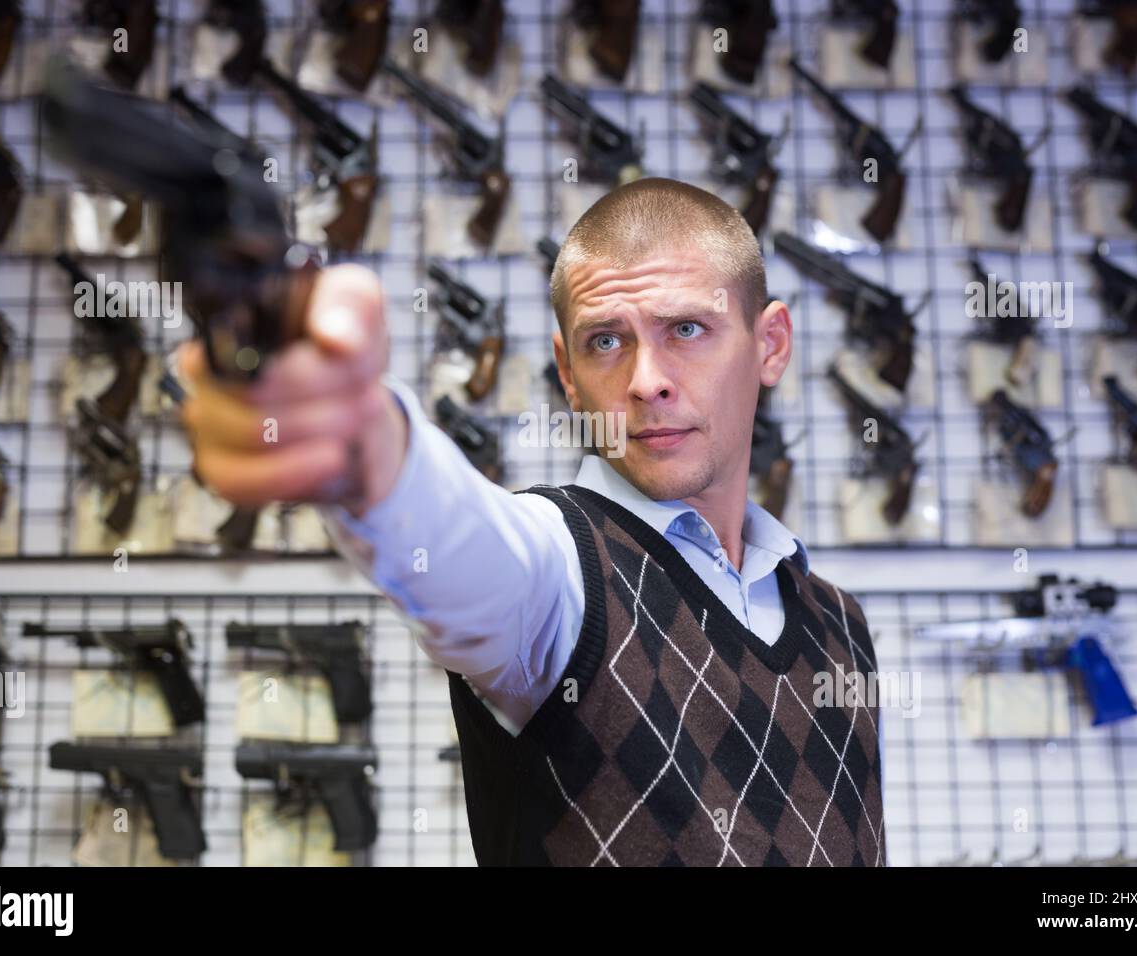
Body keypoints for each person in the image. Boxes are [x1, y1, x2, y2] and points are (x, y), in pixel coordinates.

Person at [179, 177, 885, 867]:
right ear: (567, 373)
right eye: (606, 341)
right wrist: (364, 439)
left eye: (688, 329)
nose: (646, 381)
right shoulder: (561, 575)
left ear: (770, 345)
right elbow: (458, 543)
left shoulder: (840, 626)